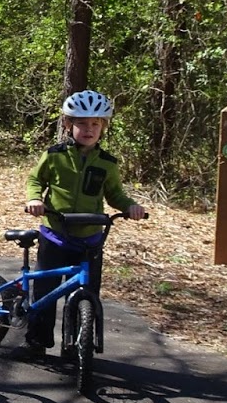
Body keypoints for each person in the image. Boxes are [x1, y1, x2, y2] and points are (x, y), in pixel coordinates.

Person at [21, 89, 149, 356]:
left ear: (103, 127)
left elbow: (115, 194)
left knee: (86, 291)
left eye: (95, 123)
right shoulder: (54, 155)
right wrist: (34, 199)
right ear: (69, 125)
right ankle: (37, 340)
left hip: (90, 236)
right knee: (46, 291)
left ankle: (79, 342)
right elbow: (35, 180)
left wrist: (130, 207)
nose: (88, 129)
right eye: (81, 123)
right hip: (56, 233)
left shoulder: (107, 163)